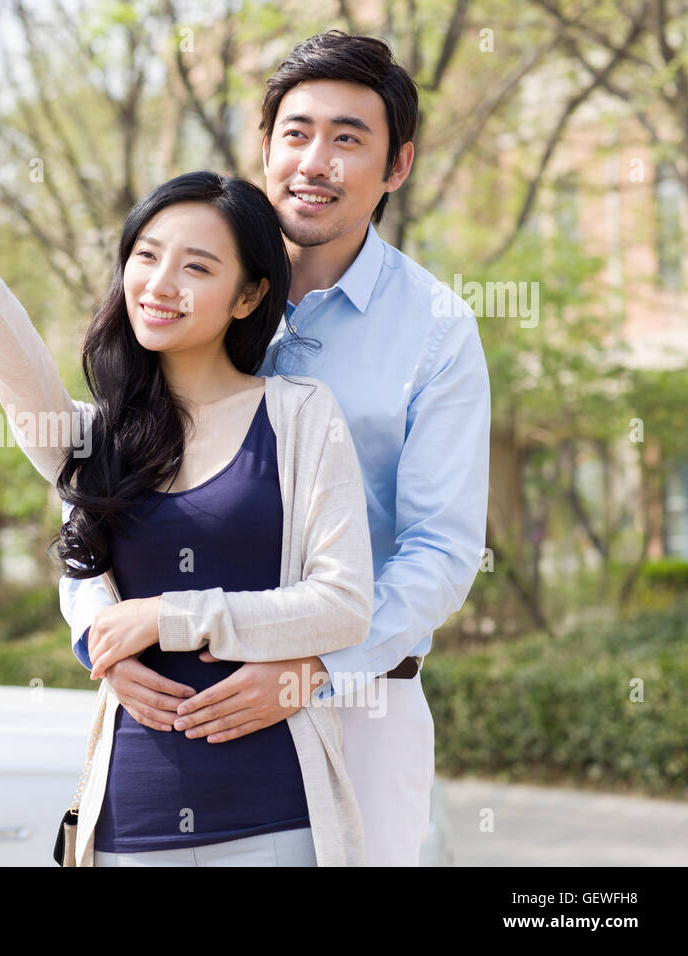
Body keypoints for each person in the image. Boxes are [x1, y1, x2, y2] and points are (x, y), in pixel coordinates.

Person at [59, 31, 491, 866]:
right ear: (264, 148)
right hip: (176, 705)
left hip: (361, 701)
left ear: (396, 167)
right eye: (295, 134)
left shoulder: (436, 331)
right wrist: (98, 639)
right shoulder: (181, 295)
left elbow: (442, 550)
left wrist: (313, 668)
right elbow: (96, 485)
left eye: (347, 138)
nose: (314, 161)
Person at [0, 169, 373, 866]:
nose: (159, 282)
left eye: (196, 267)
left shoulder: (300, 414)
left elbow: (343, 605)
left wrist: (166, 618)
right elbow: (29, 391)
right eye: (146, 256)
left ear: (248, 296)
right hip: (134, 820)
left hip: (276, 816)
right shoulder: (100, 440)